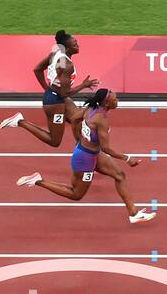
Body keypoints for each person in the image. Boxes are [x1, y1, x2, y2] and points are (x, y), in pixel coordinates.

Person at [17, 89, 155, 224]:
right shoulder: (101, 120)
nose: (117, 101)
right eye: (114, 99)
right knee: (76, 194)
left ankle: (134, 214)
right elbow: (106, 148)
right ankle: (38, 181)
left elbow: (75, 119)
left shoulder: (90, 109)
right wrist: (127, 158)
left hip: (90, 153)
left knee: (119, 175)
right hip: (85, 159)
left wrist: (79, 139)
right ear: (106, 104)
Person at [0, 30, 98, 146]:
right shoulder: (67, 65)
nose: (78, 45)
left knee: (79, 121)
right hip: (55, 103)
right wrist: (83, 85)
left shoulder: (55, 54)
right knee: (54, 141)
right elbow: (64, 93)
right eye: (75, 44)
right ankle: (20, 122)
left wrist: (47, 89)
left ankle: (84, 151)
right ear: (67, 47)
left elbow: (37, 69)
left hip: (56, 96)